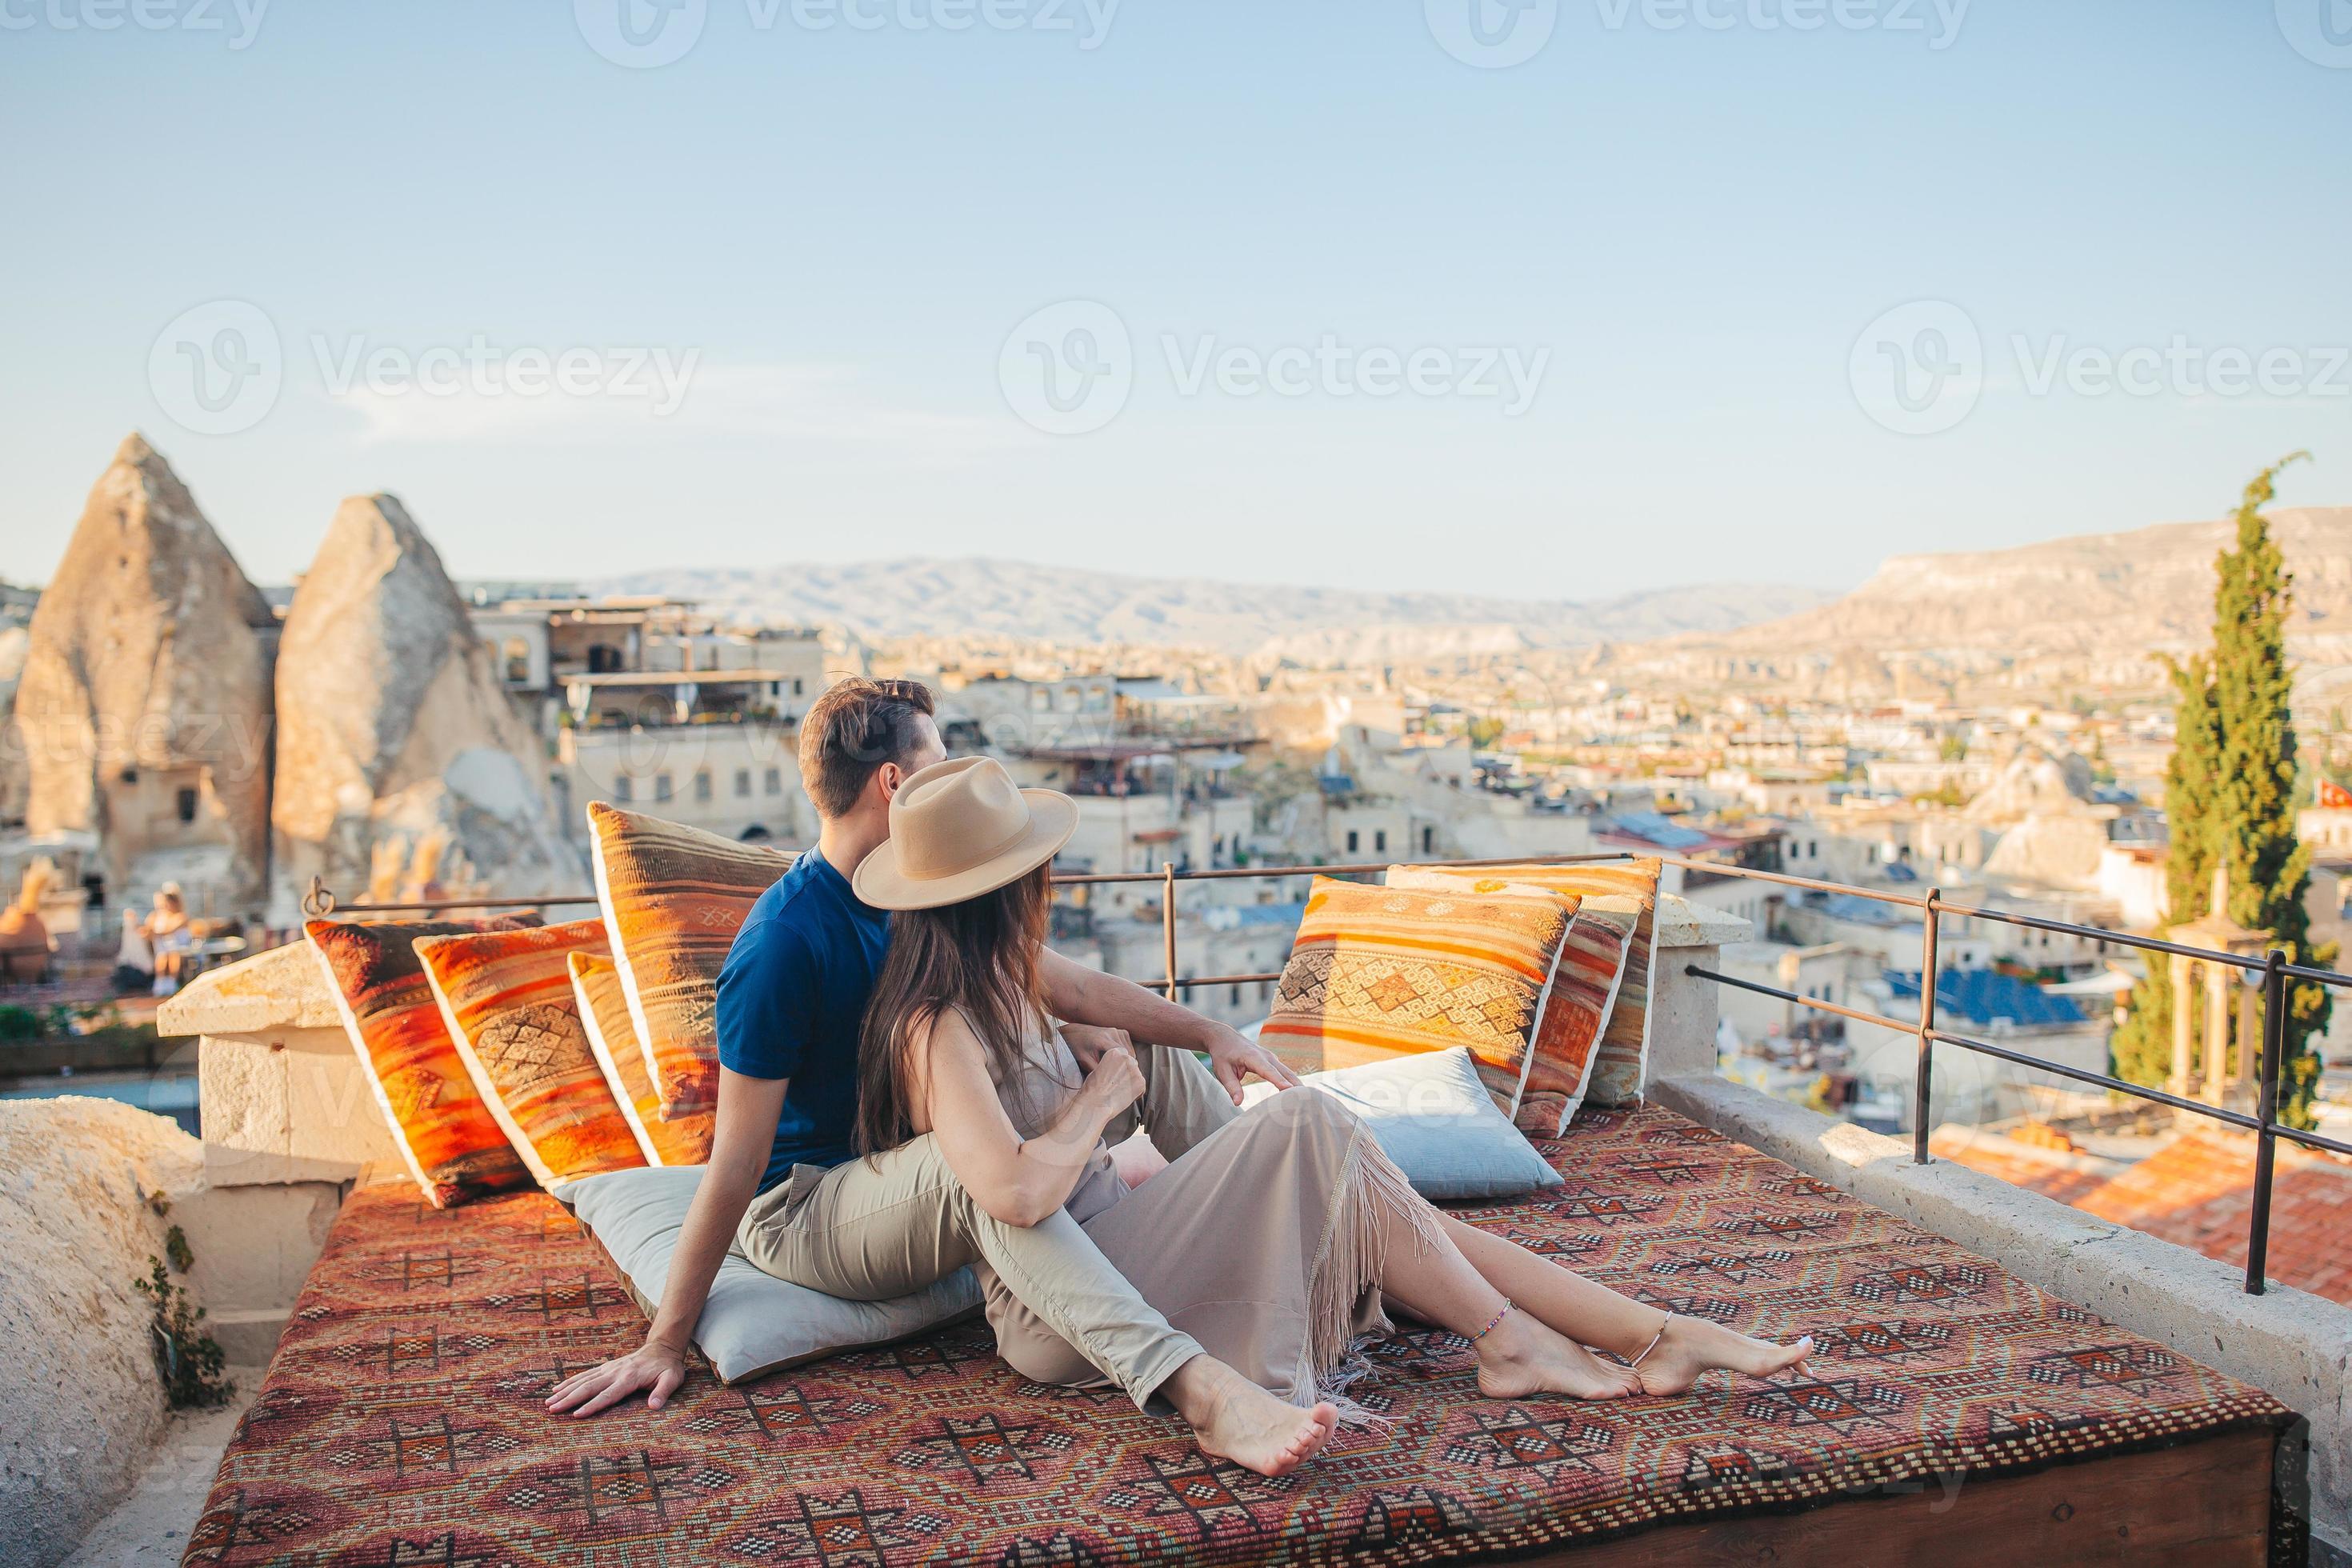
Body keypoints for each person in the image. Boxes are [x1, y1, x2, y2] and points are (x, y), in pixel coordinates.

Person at [847, 757, 1815, 1450]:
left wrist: (1212, 1035)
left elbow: (1103, 996)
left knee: (1363, 1189)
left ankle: (1642, 1331)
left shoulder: (1008, 967)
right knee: (1313, 1128)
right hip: (1066, 1311)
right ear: (1010, 886)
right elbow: (1014, 1196)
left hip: (1128, 1234)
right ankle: (1517, 1338)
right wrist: (1101, 1097)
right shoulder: (938, 1028)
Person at [551, 679, 1340, 1477]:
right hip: (810, 1204)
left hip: (908, 1170)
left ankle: (1327, 1234)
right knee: (976, 1173)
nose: (953, 768)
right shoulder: (784, 943)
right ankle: (1200, 1390)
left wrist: (1211, 1029)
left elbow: (1071, 984)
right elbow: (737, 1163)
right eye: (939, 756)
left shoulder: (918, 890)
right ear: (895, 783)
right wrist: (666, 1339)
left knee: (1120, 1053)